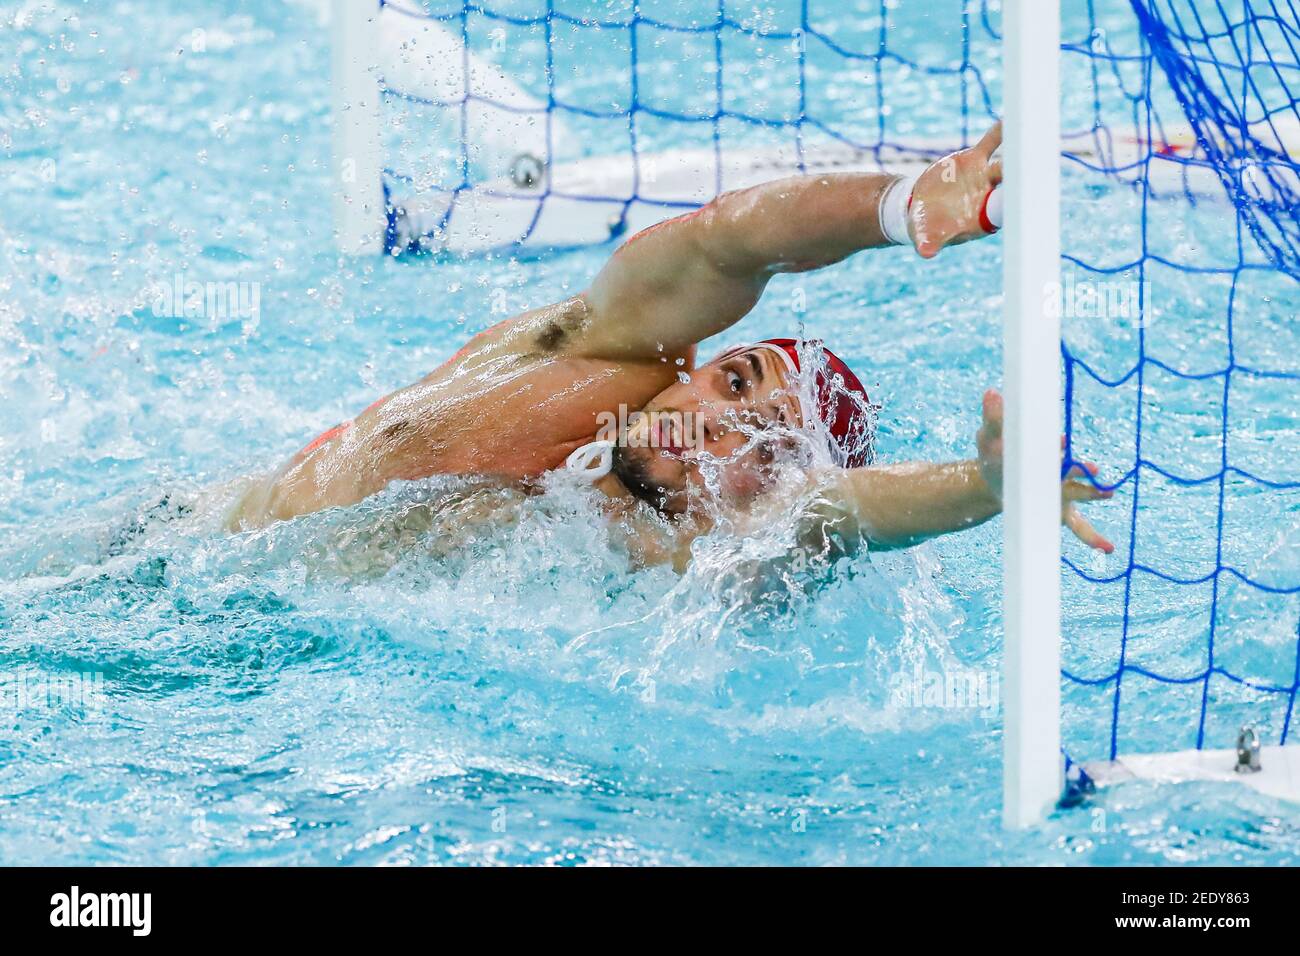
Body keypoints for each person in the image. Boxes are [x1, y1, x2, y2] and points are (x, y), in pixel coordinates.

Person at [227, 122, 1113, 569]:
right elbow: (726, 238)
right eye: (733, 381)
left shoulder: (691, 565)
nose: (712, 424)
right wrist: (899, 202)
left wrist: (984, 488)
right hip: (184, 547)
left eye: (762, 440)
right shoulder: (595, 361)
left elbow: (839, 513)